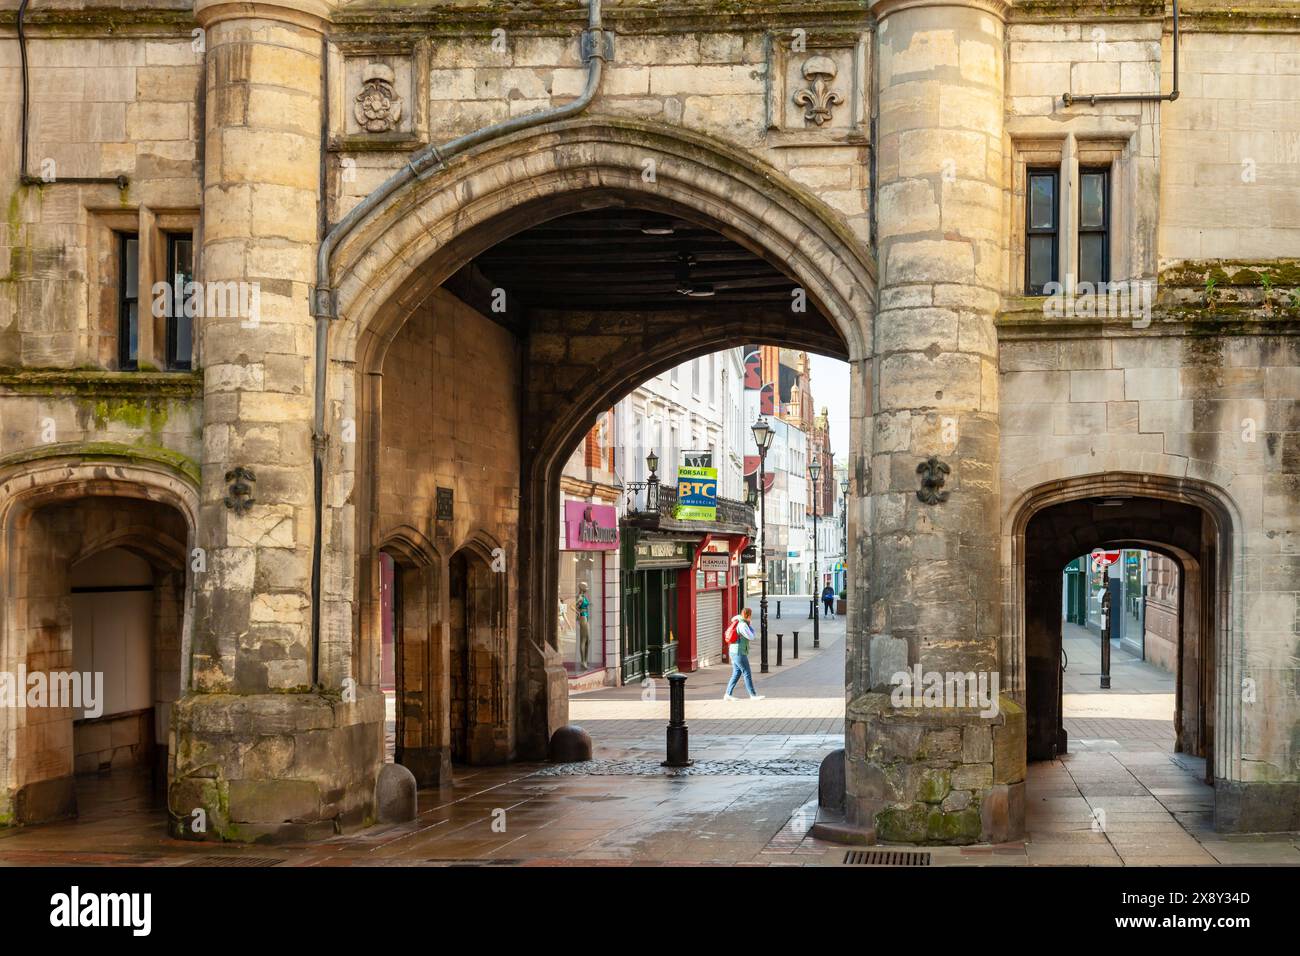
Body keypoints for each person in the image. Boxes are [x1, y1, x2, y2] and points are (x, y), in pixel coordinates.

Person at [723, 607, 763, 701]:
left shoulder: (738, 621)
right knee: (747, 673)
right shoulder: (742, 625)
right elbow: (751, 636)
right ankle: (753, 695)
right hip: (739, 652)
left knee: (737, 673)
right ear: (748, 615)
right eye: (750, 616)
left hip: (733, 651)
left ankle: (728, 694)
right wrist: (750, 626)